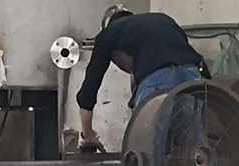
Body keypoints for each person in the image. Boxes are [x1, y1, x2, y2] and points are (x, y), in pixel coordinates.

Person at [72, 8, 206, 151]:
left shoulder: (109, 34)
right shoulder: (163, 20)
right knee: (190, 143)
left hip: (158, 79)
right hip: (193, 76)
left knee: (144, 144)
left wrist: (88, 135)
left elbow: (89, 89)